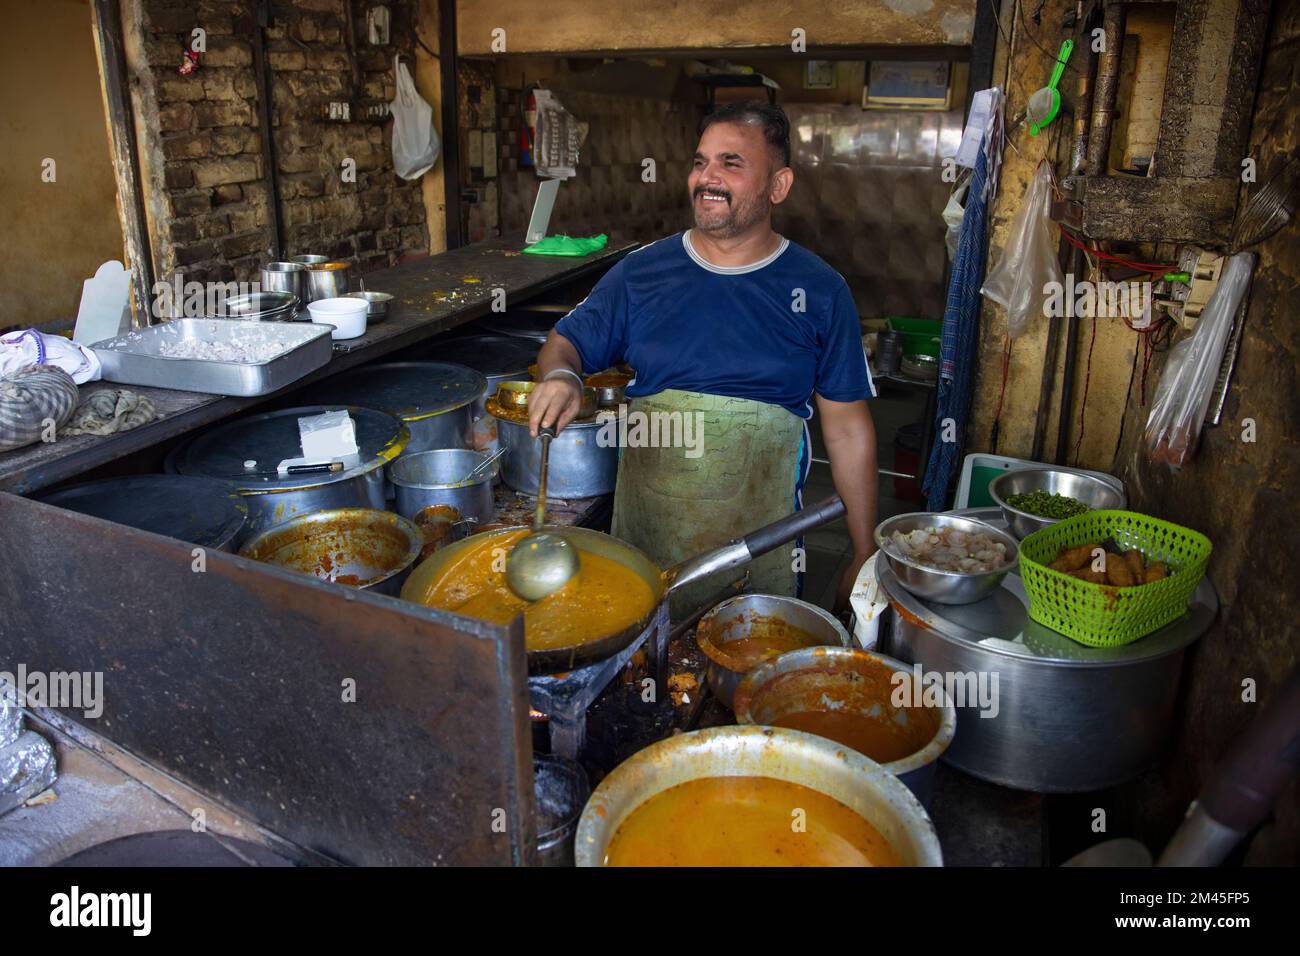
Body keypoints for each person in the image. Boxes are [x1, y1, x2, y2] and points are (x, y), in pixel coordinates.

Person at [529, 101, 878, 615]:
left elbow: (848, 430)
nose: (706, 178)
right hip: (645, 558)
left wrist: (865, 550)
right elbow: (566, 341)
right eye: (700, 162)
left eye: (730, 164)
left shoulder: (820, 291)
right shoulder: (641, 273)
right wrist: (561, 375)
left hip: (760, 561)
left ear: (779, 186)